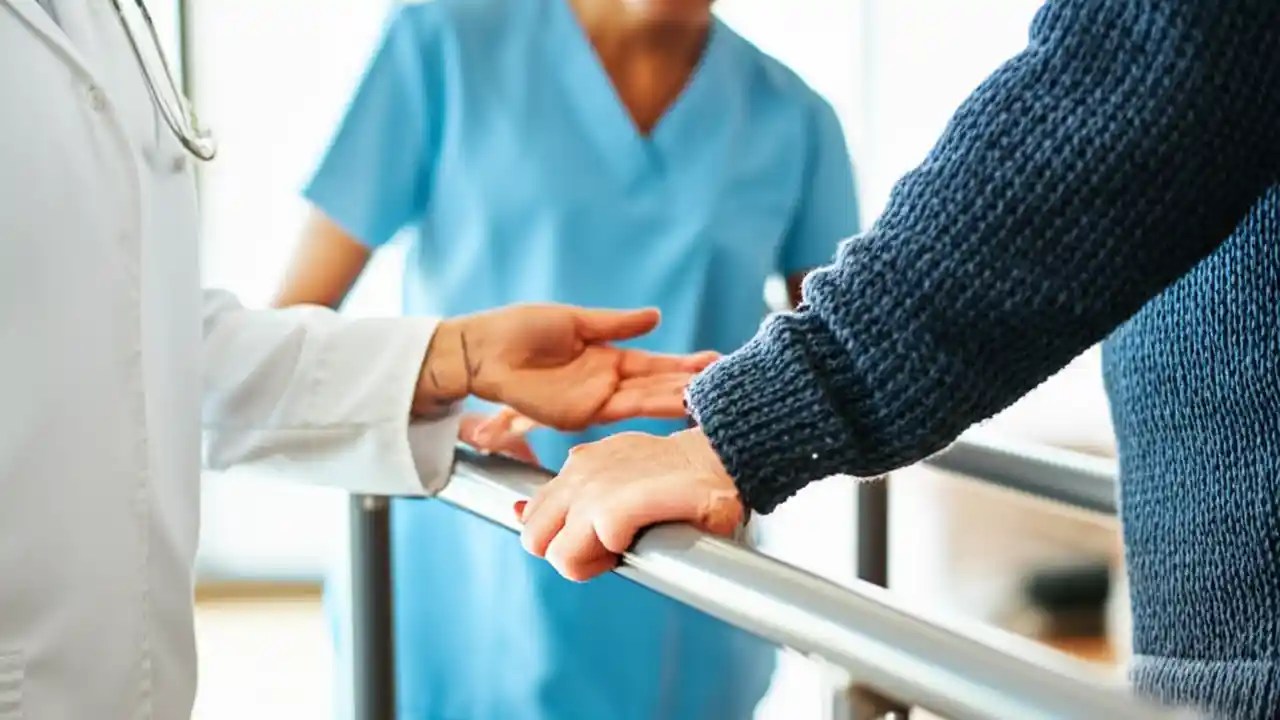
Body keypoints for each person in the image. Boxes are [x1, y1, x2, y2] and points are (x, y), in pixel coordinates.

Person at [505, 1, 1280, 718]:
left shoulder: (787, 109)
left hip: (1239, 637)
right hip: (553, 482)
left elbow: (1145, 77)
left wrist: (755, 420)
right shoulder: (459, 39)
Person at [0, 2, 711, 718]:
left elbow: (143, 345)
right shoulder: (446, 41)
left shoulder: (102, 21)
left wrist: (451, 357)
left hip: (668, 593)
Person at [274, 0, 859, 716]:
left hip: (675, 567)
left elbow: (845, 359)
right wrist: (418, 389)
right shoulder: (442, 45)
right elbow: (292, 327)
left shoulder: (794, 119)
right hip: (471, 539)